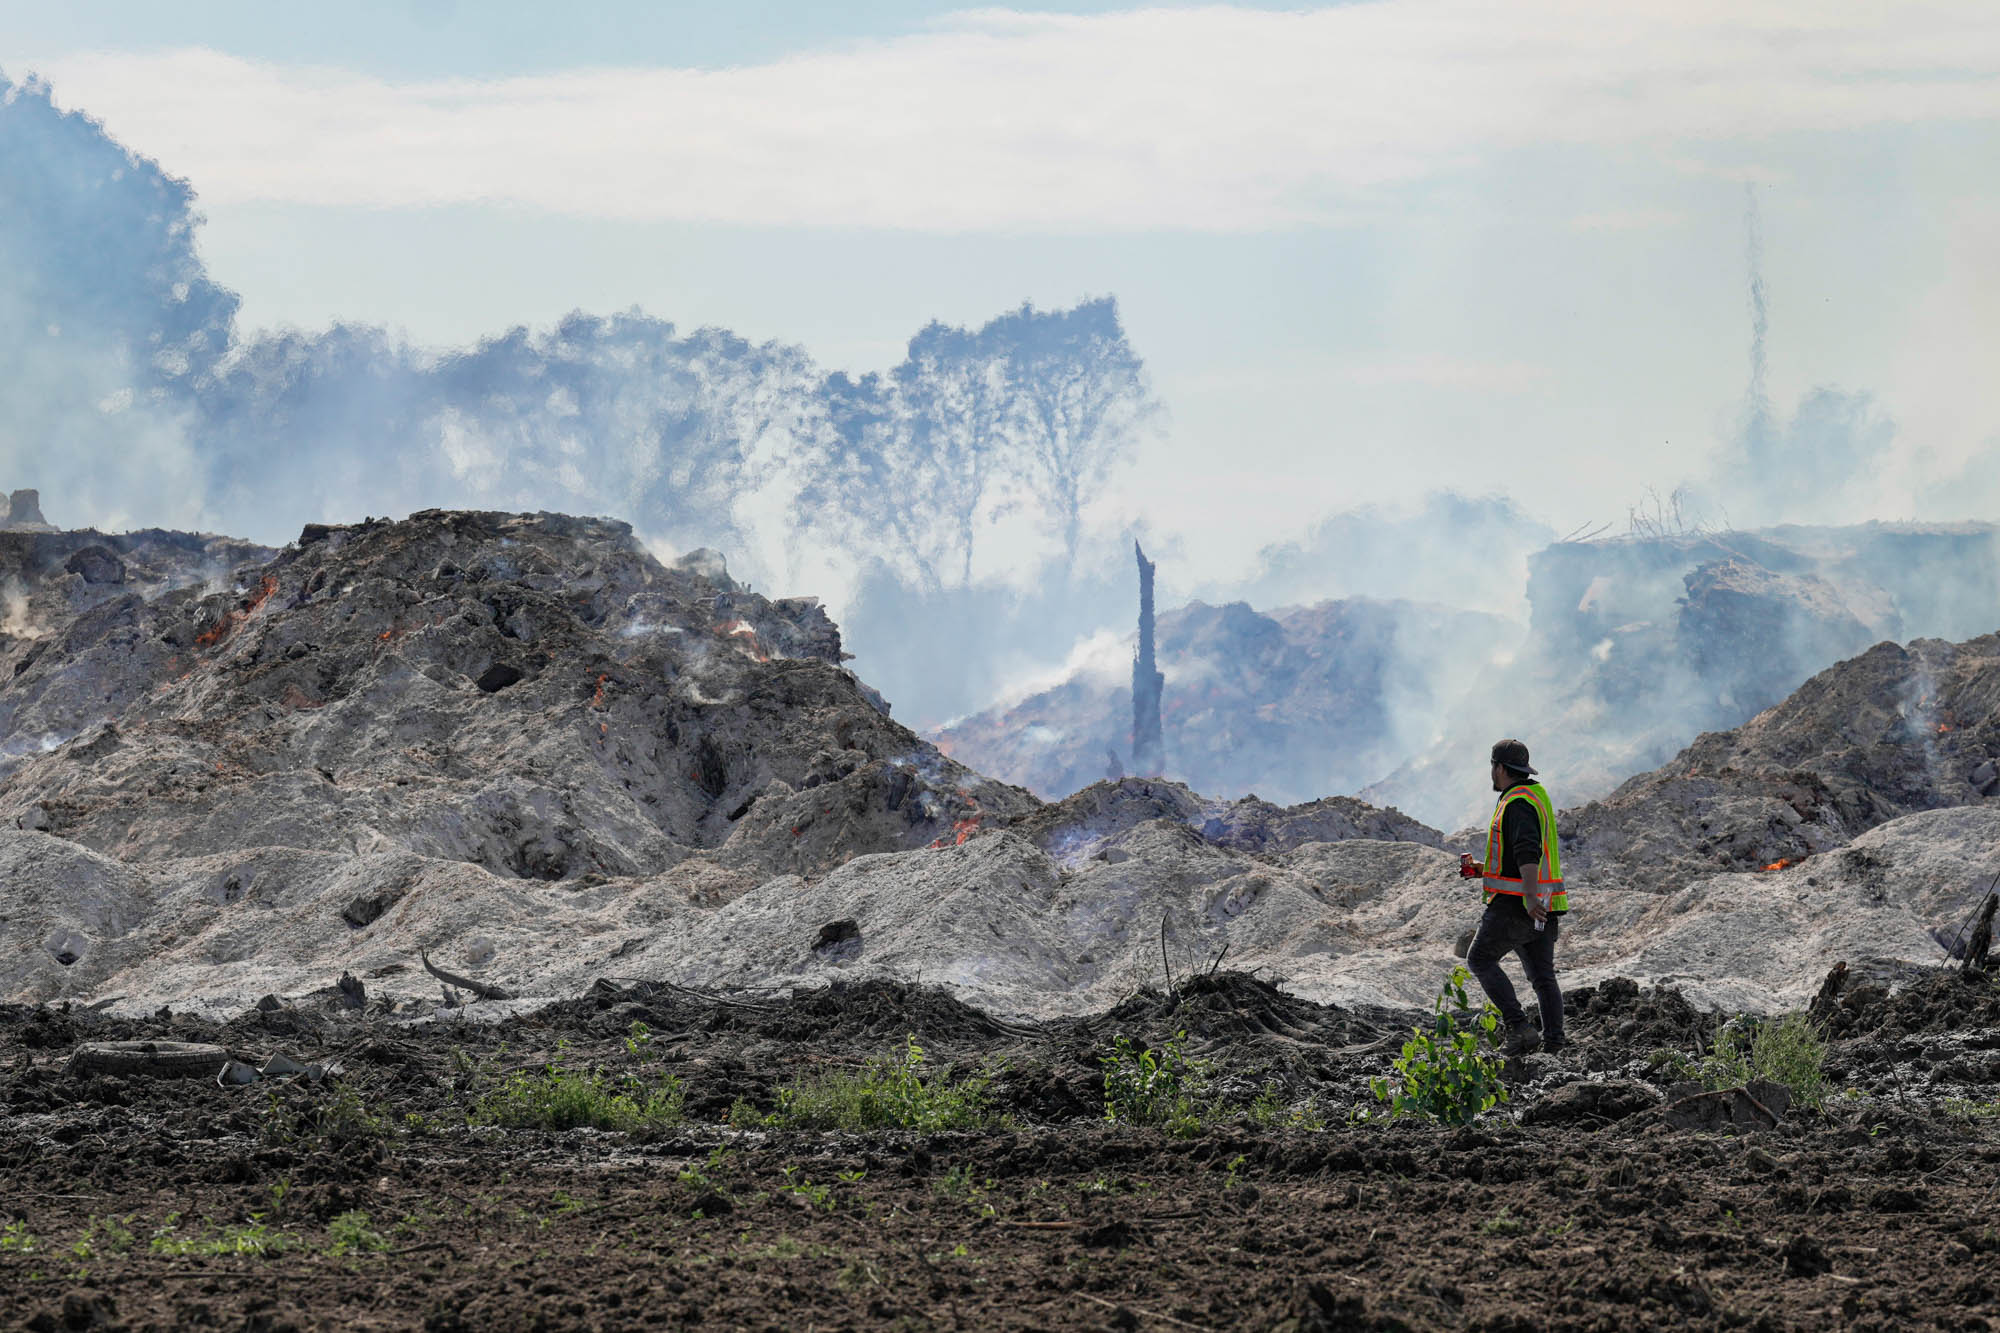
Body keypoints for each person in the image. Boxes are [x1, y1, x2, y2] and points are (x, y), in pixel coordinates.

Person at [1456, 739, 1566, 1056]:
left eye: (1493, 767)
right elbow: (1518, 856)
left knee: (1479, 959)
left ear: (1500, 768)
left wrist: (1529, 899)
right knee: (1543, 976)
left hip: (1518, 905)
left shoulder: (1516, 803)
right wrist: (1481, 869)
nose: (1492, 773)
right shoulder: (1536, 796)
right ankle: (1554, 1045)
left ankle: (1519, 1028)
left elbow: (1527, 853)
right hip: (1543, 903)